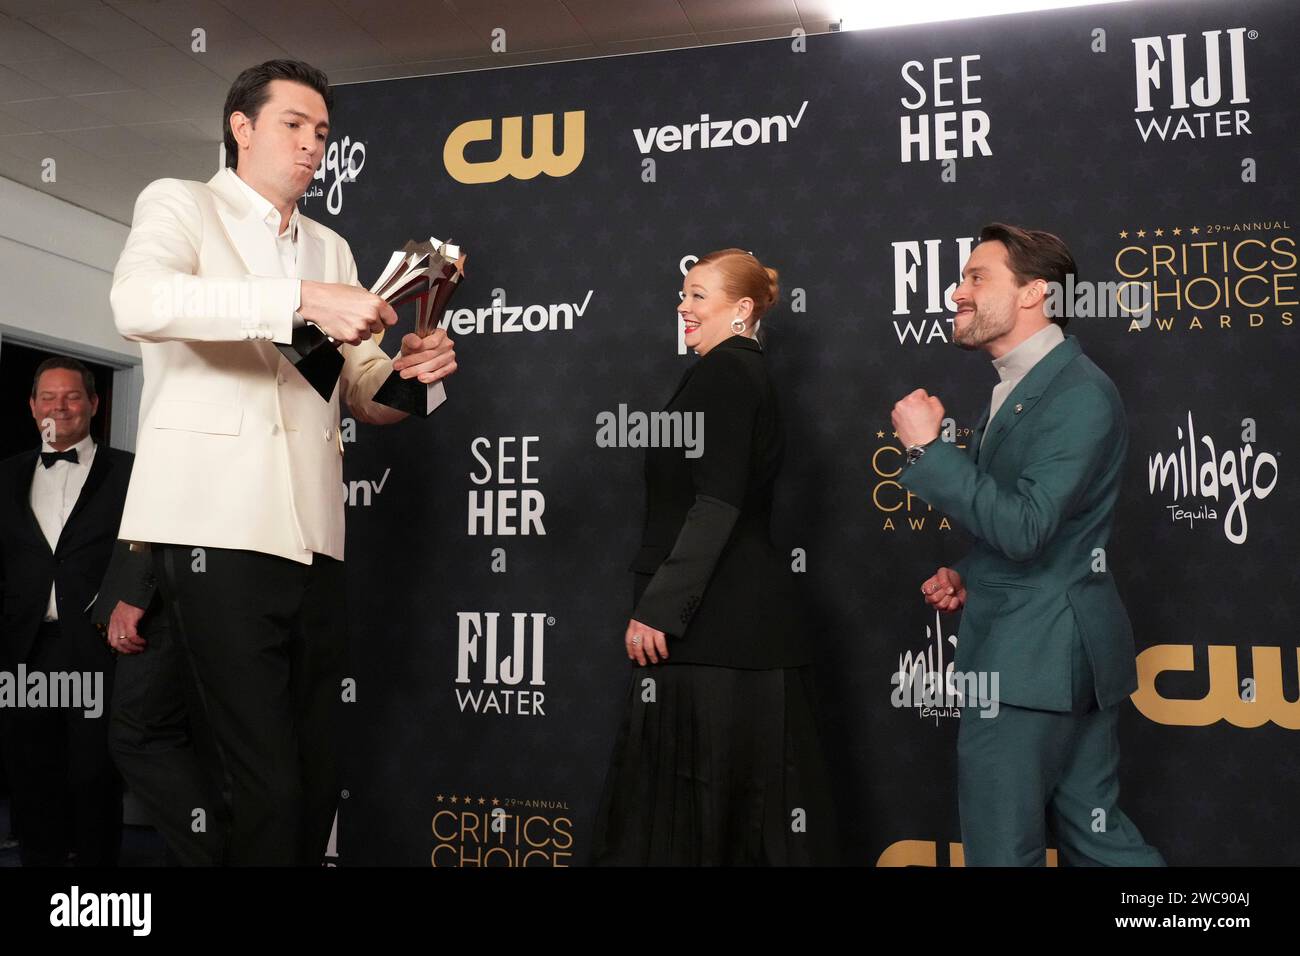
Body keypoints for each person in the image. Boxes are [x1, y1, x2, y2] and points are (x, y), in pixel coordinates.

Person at [109, 59, 458, 865]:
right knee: (261, 775)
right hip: (213, 529)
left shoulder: (331, 244)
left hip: (314, 538)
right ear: (242, 127)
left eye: (323, 134)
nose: (312, 147)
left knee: (312, 771)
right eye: (293, 127)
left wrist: (412, 375)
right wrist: (297, 298)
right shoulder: (183, 204)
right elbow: (139, 303)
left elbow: (355, 389)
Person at [891, 223, 1164, 867]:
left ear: (1033, 293)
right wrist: (971, 574)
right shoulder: (1029, 383)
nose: (957, 292)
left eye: (976, 277)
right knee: (1101, 847)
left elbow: (1026, 527)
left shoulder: (1076, 392)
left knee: (1001, 852)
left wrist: (929, 450)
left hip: (1033, 662)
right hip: (1055, 655)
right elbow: (1041, 531)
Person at [592, 249, 836, 865]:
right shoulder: (729, 370)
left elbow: (719, 502)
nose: (683, 305)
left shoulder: (727, 373)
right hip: (725, 633)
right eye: (683, 293)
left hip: (717, 633)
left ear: (742, 308)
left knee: (702, 826)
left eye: (699, 295)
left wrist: (661, 608)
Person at [0, 357, 129, 866]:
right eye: (48, 397)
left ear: (94, 405)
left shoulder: (129, 471)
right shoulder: (5, 475)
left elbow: (145, 556)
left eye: (72, 396)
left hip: (99, 646)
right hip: (24, 650)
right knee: (30, 773)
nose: (60, 406)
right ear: (32, 407)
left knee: (95, 774)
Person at [94, 539, 227, 865]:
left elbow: (165, 497)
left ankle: (221, 854)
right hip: (205, 587)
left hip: (168, 593)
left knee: (138, 734)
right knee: (200, 741)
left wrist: (135, 593)